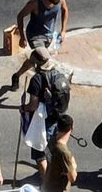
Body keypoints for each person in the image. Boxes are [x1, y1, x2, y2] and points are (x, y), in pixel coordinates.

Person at [21, 46, 71, 175]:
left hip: (42, 122)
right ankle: (57, 176)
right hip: (57, 118)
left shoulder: (37, 79)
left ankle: (47, 183)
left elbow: (33, 105)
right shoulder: (58, 74)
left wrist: (23, 108)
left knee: (39, 154)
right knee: (54, 149)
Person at [11, 0, 68, 91]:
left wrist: (63, 30)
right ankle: (40, 88)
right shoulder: (35, 3)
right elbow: (20, 16)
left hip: (48, 36)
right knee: (45, 58)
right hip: (35, 36)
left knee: (34, 59)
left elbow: (65, 9)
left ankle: (16, 76)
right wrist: (22, 37)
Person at [42, 115, 76, 192]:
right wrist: (73, 163)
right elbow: (73, 178)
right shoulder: (64, 152)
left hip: (47, 185)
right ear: (71, 128)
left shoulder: (51, 141)